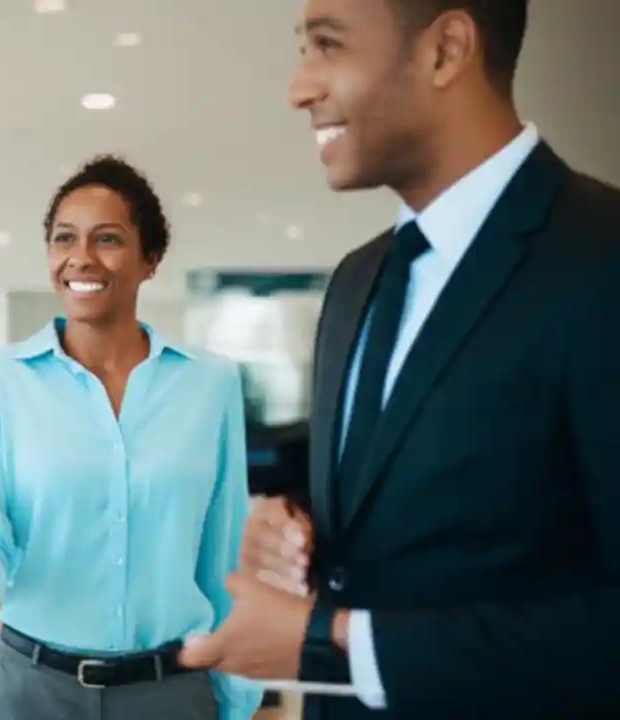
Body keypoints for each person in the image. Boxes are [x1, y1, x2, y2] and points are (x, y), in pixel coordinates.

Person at [177, 0, 620, 718]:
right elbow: (392, 510)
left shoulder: (601, 258)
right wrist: (290, 526)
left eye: (327, 45)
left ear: (445, 50)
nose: (298, 88)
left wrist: (338, 641)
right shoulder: (355, 281)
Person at [0, 156, 263, 720]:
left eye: (107, 238)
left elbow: (224, 550)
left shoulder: (209, 383)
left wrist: (234, 698)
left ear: (150, 259)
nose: (81, 258)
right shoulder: (0, 380)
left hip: (170, 691)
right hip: (30, 690)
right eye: (64, 238)